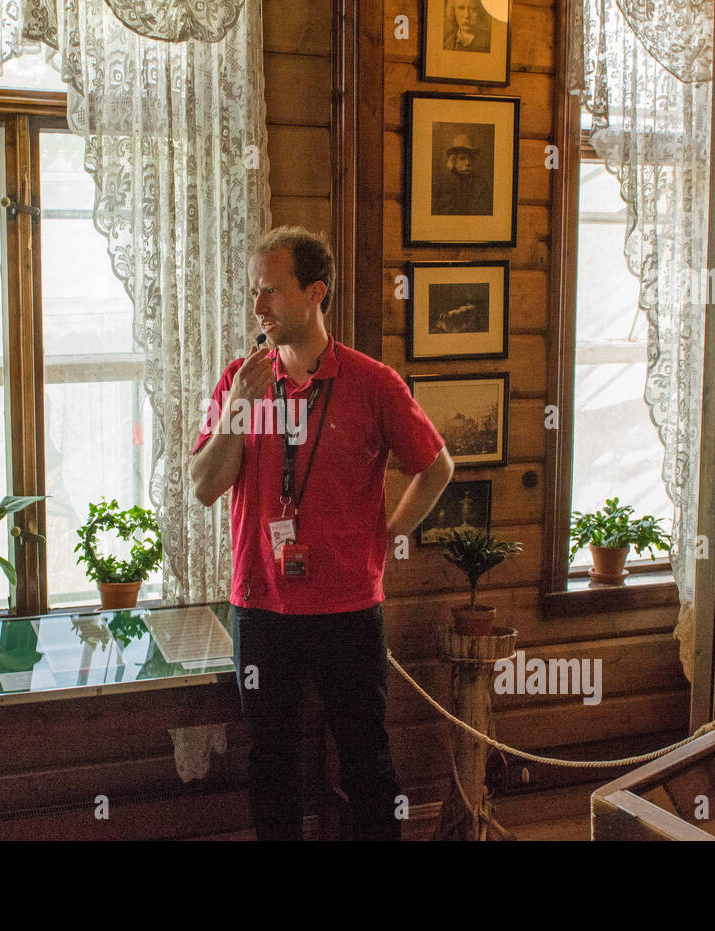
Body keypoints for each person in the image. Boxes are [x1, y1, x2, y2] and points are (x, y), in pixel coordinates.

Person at [190, 226, 454, 841]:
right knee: (271, 765)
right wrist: (235, 409)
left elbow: (437, 468)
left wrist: (386, 535)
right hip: (261, 608)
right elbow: (204, 486)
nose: (258, 308)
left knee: (367, 762)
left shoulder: (373, 383)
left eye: (271, 292)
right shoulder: (240, 380)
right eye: (255, 293)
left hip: (348, 610)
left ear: (315, 293)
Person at [431, 133, 492, 216]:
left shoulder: (481, 184)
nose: (468, 163)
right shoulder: (443, 183)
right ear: (453, 161)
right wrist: (452, 172)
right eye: (462, 158)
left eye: (471, 158)